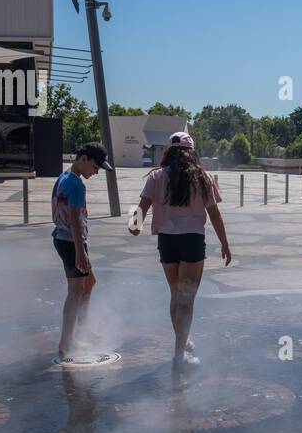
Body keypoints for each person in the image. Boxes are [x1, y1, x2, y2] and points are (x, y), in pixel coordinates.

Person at [129, 132, 232, 369]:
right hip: (192, 241)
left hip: (167, 241)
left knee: (176, 295)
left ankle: (182, 343)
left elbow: (140, 208)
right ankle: (179, 355)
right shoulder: (202, 177)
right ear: (191, 151)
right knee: (186, 300)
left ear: (169, 151)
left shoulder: (155, 176)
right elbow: (214, 214)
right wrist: (225, 244)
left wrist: (133, 226)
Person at [52, 142, 112, 361]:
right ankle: (67, 342)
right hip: (71, 241)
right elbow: (75, 219)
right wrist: (80, 251)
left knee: (89, 283)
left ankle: (81, 331)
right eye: (95, 167)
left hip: (64, 239)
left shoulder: (63, 178)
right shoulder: (77, 185)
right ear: (84, 158)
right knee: (76, 291)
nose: (95, 172)